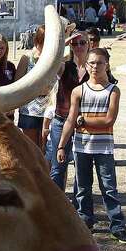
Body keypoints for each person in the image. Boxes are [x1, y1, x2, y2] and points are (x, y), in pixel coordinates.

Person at [60, 47, 126, 244]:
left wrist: (82, 121)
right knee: (82, 188)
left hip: (104, 148)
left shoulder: (113, 91)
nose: (95, 66)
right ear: (86, 64)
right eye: (91, 62)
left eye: (100, 63)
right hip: (81, 147)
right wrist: (61, 146)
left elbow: (109, 120)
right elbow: (70, 120)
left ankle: (117, 226)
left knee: (109, 188)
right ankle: (85, 223)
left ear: (107, 65)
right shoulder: (78, 90)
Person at [43, 31, 90, 192]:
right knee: (58, 166)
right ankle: (57, 205)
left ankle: (80, 207)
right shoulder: (65, 67)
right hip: (61, 120)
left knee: (82, 167)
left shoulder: (94, 68)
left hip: (84, 124)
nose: (78, 46)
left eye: (82, 43)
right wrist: (64, 43)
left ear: (89, 44)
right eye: (75, 44)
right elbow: (49, 63)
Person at [15, 26, 49, 149]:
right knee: (32, 149)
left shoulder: (56, 58)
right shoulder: (26, 58)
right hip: (30, 110)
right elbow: (17, 83)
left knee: (47, 148)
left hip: (49, 111)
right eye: (43, 41)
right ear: (37, 41)